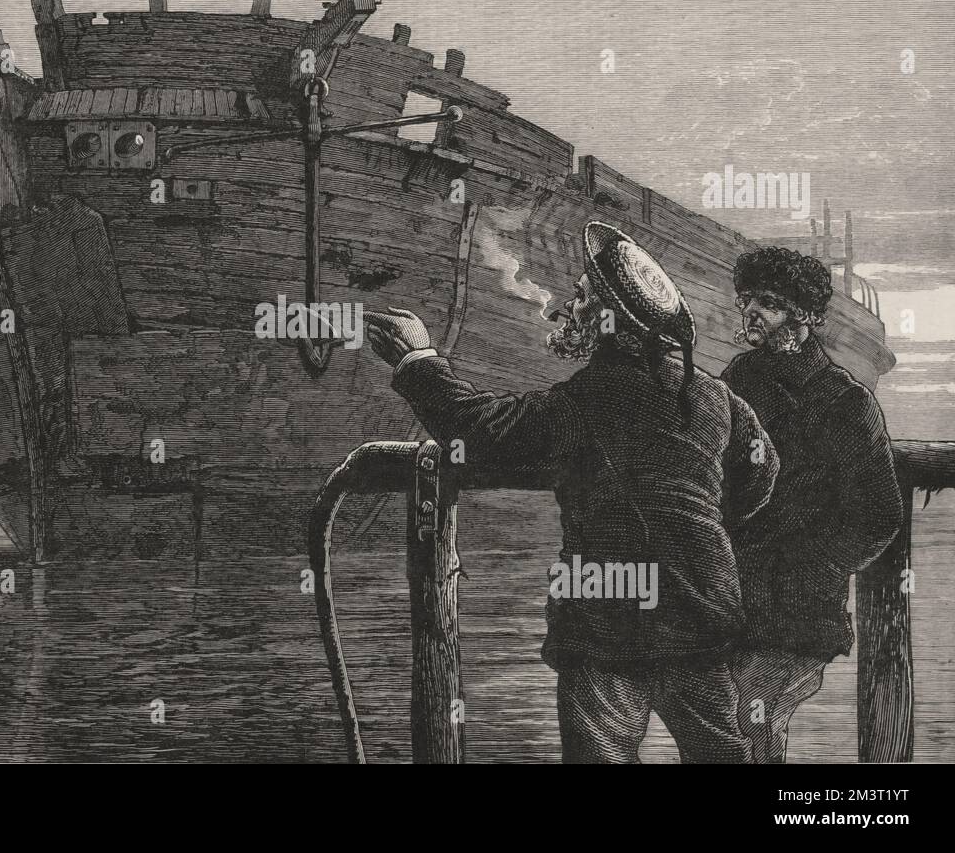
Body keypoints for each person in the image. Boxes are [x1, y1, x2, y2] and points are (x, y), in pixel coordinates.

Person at [364, 221, 777, 763]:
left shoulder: (583, 401)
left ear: (612, 321)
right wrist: (694, 531)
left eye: (582, 298)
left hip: (606, 626)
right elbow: (760, 473)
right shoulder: (723, 402)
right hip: (703, 616)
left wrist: (417, 362)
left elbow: (483, 432)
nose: (567, 308)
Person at [722, 246, 903, 763]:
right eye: (748, 300)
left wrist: (811, 567)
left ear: (805, 318)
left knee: (753, 719)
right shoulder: (738, 379)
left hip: (797, 609)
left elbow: (877, 517)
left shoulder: (845, 403)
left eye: (771, 303)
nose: (752, 312)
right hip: (730, 594)